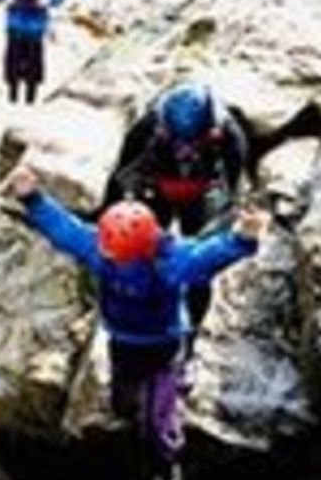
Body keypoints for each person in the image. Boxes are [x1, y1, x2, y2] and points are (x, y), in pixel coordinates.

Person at [5, 164, 268, 480]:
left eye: (117, 255)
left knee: (159, 423)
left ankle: (167, 472)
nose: (110, 259)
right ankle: (143, 406)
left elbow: (209, 254)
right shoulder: (103, 251)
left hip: (163, 347)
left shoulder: (169, 262)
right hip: (123, 341)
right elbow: (66, 230)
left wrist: (242, 238)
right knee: (122, 404)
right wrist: (32, 197)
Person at [105, 82, 250, 325]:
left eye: (192, 140)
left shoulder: (229, 134)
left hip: (202, 193)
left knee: (199, 268)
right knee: (144, 252)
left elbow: (232, 195)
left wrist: (211, 238)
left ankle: (191, 324)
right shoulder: (149, 124)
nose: (185, 147)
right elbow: (122, 173)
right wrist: (113, 216)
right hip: (158, 188)